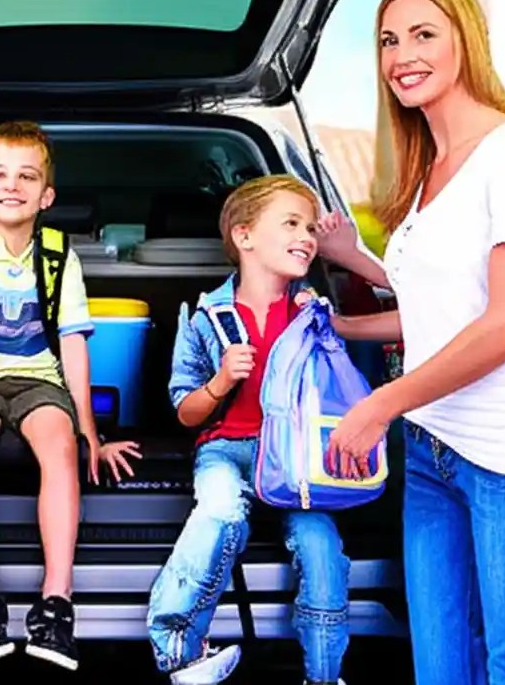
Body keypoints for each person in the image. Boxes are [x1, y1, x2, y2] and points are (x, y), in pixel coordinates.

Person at [314, 0, 505, 684]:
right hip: (432, 449)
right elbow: (435, 308)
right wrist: (337, 307)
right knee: (438, 669)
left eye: (424, 34)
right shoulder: (429, 165)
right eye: (389, 40)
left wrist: (379, 403)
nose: (402, 54)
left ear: (468, 38)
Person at [0, 120, 141, 672]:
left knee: (59, 445)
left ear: (46, 195)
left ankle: (56, 604)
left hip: (41, 379)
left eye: (26, 176)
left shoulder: (57, 252)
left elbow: (72, 342)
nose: (11, 185)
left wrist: (90, 430)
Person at [147, 175, 350, 685]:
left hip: (296, 459)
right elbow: (185, 412)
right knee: (218, 512)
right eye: (290, 223)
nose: (306, 236)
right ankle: (179, 650)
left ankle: (324, 674)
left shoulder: (315, 315)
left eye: (310, 227)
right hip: (226, 451)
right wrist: (220, 382)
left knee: (321, 546)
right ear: (244, 236)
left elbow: (342, 388)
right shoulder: (205, 317)